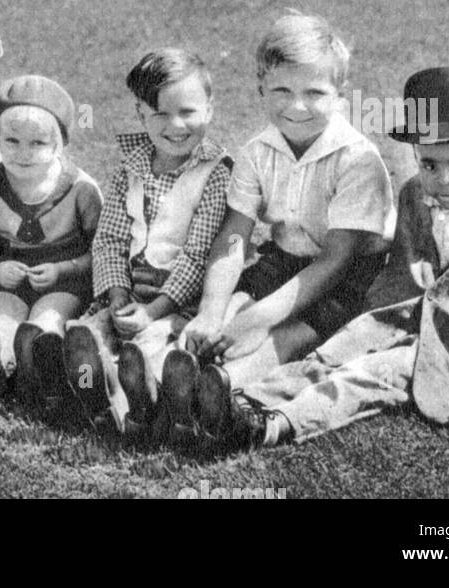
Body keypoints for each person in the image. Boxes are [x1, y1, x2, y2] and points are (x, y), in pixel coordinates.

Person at [190, 67, 449, 451]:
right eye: (429, 164)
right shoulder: (415, 195)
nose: (443, 179)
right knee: (344, 345)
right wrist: (376, 319)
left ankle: (276, 424)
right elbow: (401, 266)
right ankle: (243, 398)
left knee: (373, 372)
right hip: (418, 312)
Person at [160, 14, 396, 442]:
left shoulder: (357, 159)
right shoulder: (256, 153)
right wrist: (215, 311)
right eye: (282, 90)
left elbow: (336, 260)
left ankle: (220, 388)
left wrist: (259, 320)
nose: (297, 106)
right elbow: (234, 238)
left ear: (340, 97)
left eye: (315, 93)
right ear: (261, 90)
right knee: (230, 305)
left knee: (288, 334)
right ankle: (164, 380)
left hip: (352, 274)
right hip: (285, 259)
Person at [62, 49, 232, 435]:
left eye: (188, 112)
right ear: (140, 114)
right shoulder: (131, 168)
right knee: (91, 333)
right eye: (160, 114)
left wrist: (153, 311)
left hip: (177, 301)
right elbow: (110, 239)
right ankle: (94, 389)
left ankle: (137, 404)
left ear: (210, 108)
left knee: (150, 344)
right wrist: (118, 294)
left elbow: (197, 256)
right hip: (130, 294)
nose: (175, 125)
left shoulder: (216, 173)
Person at [0, 75, 101, 419]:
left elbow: (103, 251)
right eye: (11, 140)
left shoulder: (81, 190)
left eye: (38, 143)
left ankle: (41, 359)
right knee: (2, 316)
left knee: (47, 317)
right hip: (6, 276)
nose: (23, 153)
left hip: (61, 278)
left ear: (59, 144)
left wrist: (63, 270)